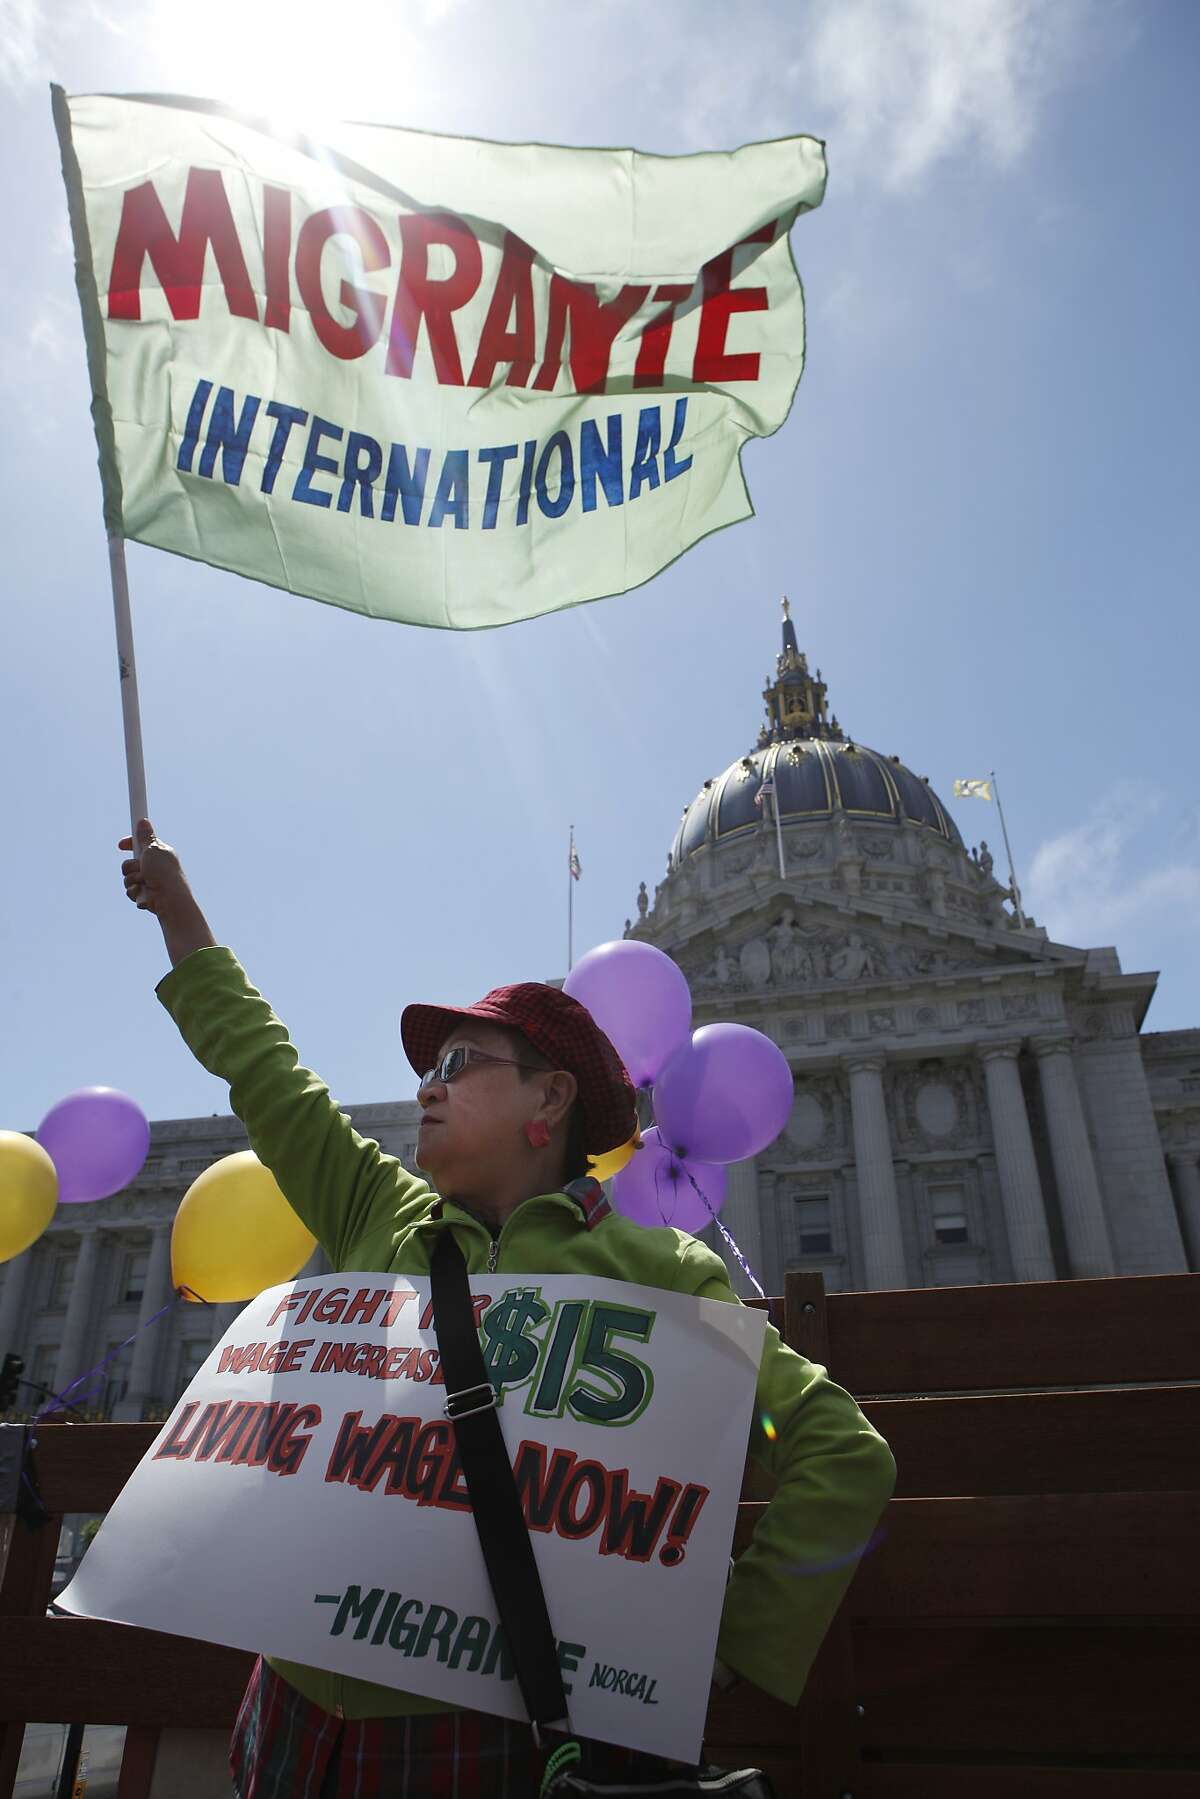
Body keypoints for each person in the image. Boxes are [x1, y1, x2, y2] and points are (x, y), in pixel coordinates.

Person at [119, 818, 896, 1799]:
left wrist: (727, 1644)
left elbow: (841, 1452)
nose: (425, 1084)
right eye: (428, 1066)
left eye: (458, 1062)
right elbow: (262, 1069)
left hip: (494, 1741)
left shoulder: (658, 1271)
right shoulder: (379, 1212)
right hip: (295, 1722)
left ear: (552, 1097)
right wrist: (181, 912)